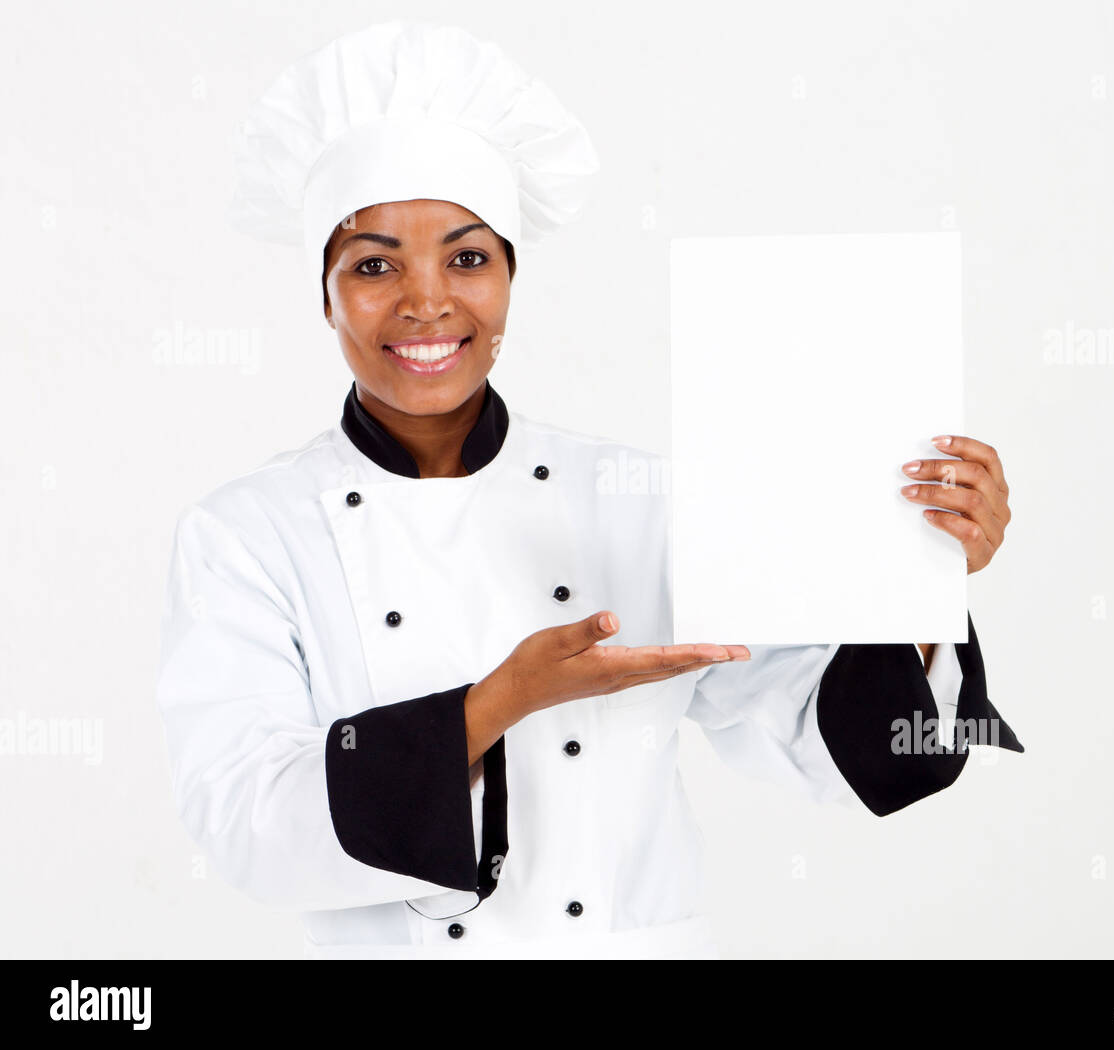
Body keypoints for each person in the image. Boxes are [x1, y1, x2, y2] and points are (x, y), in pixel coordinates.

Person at [155, 21, 1023, 960]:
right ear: (324, 296)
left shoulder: (636, 498)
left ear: (512, 280)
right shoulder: (246, 534)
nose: (426, 301)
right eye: (372, 265)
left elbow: (828, 745)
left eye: (467, 257)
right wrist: (499, 703)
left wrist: (921, 579)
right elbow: (250, 829)